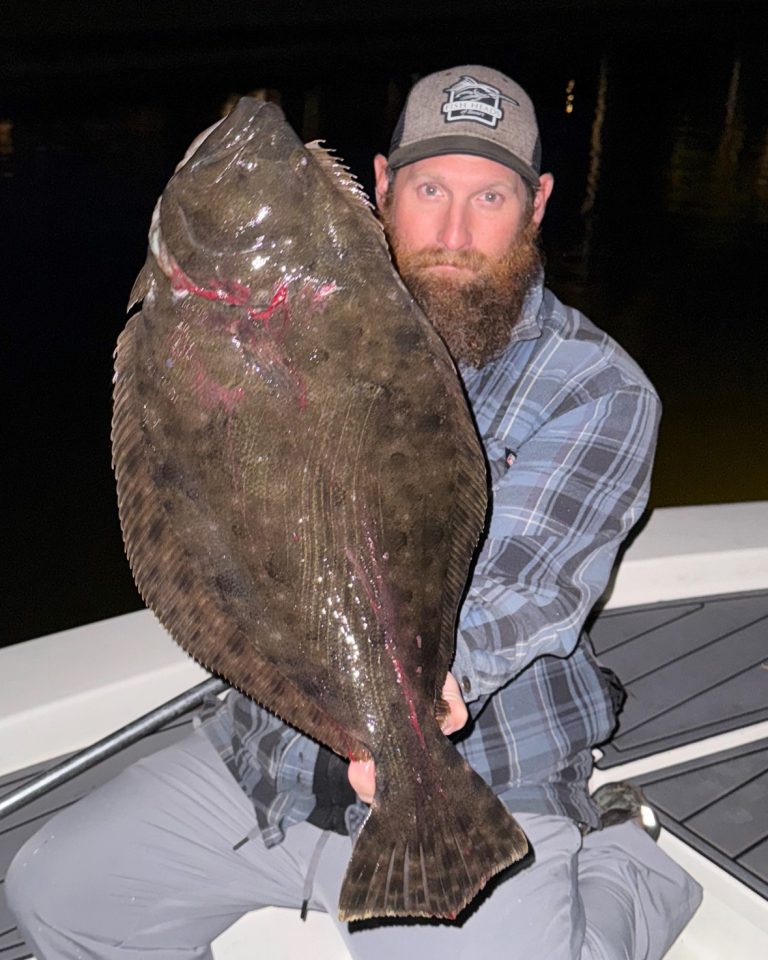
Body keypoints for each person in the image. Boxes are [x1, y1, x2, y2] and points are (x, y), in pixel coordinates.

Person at [6, 65, 702, 959]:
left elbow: (530, 586)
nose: (455, 231)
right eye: (428, 190)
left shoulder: (597, 387)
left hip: (476, 772)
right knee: (56, 895)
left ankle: (627, 872)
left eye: (489, 196)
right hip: (267, 757)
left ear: (537, 204)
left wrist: (413, 710)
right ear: (377, 189)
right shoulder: (240, 323)